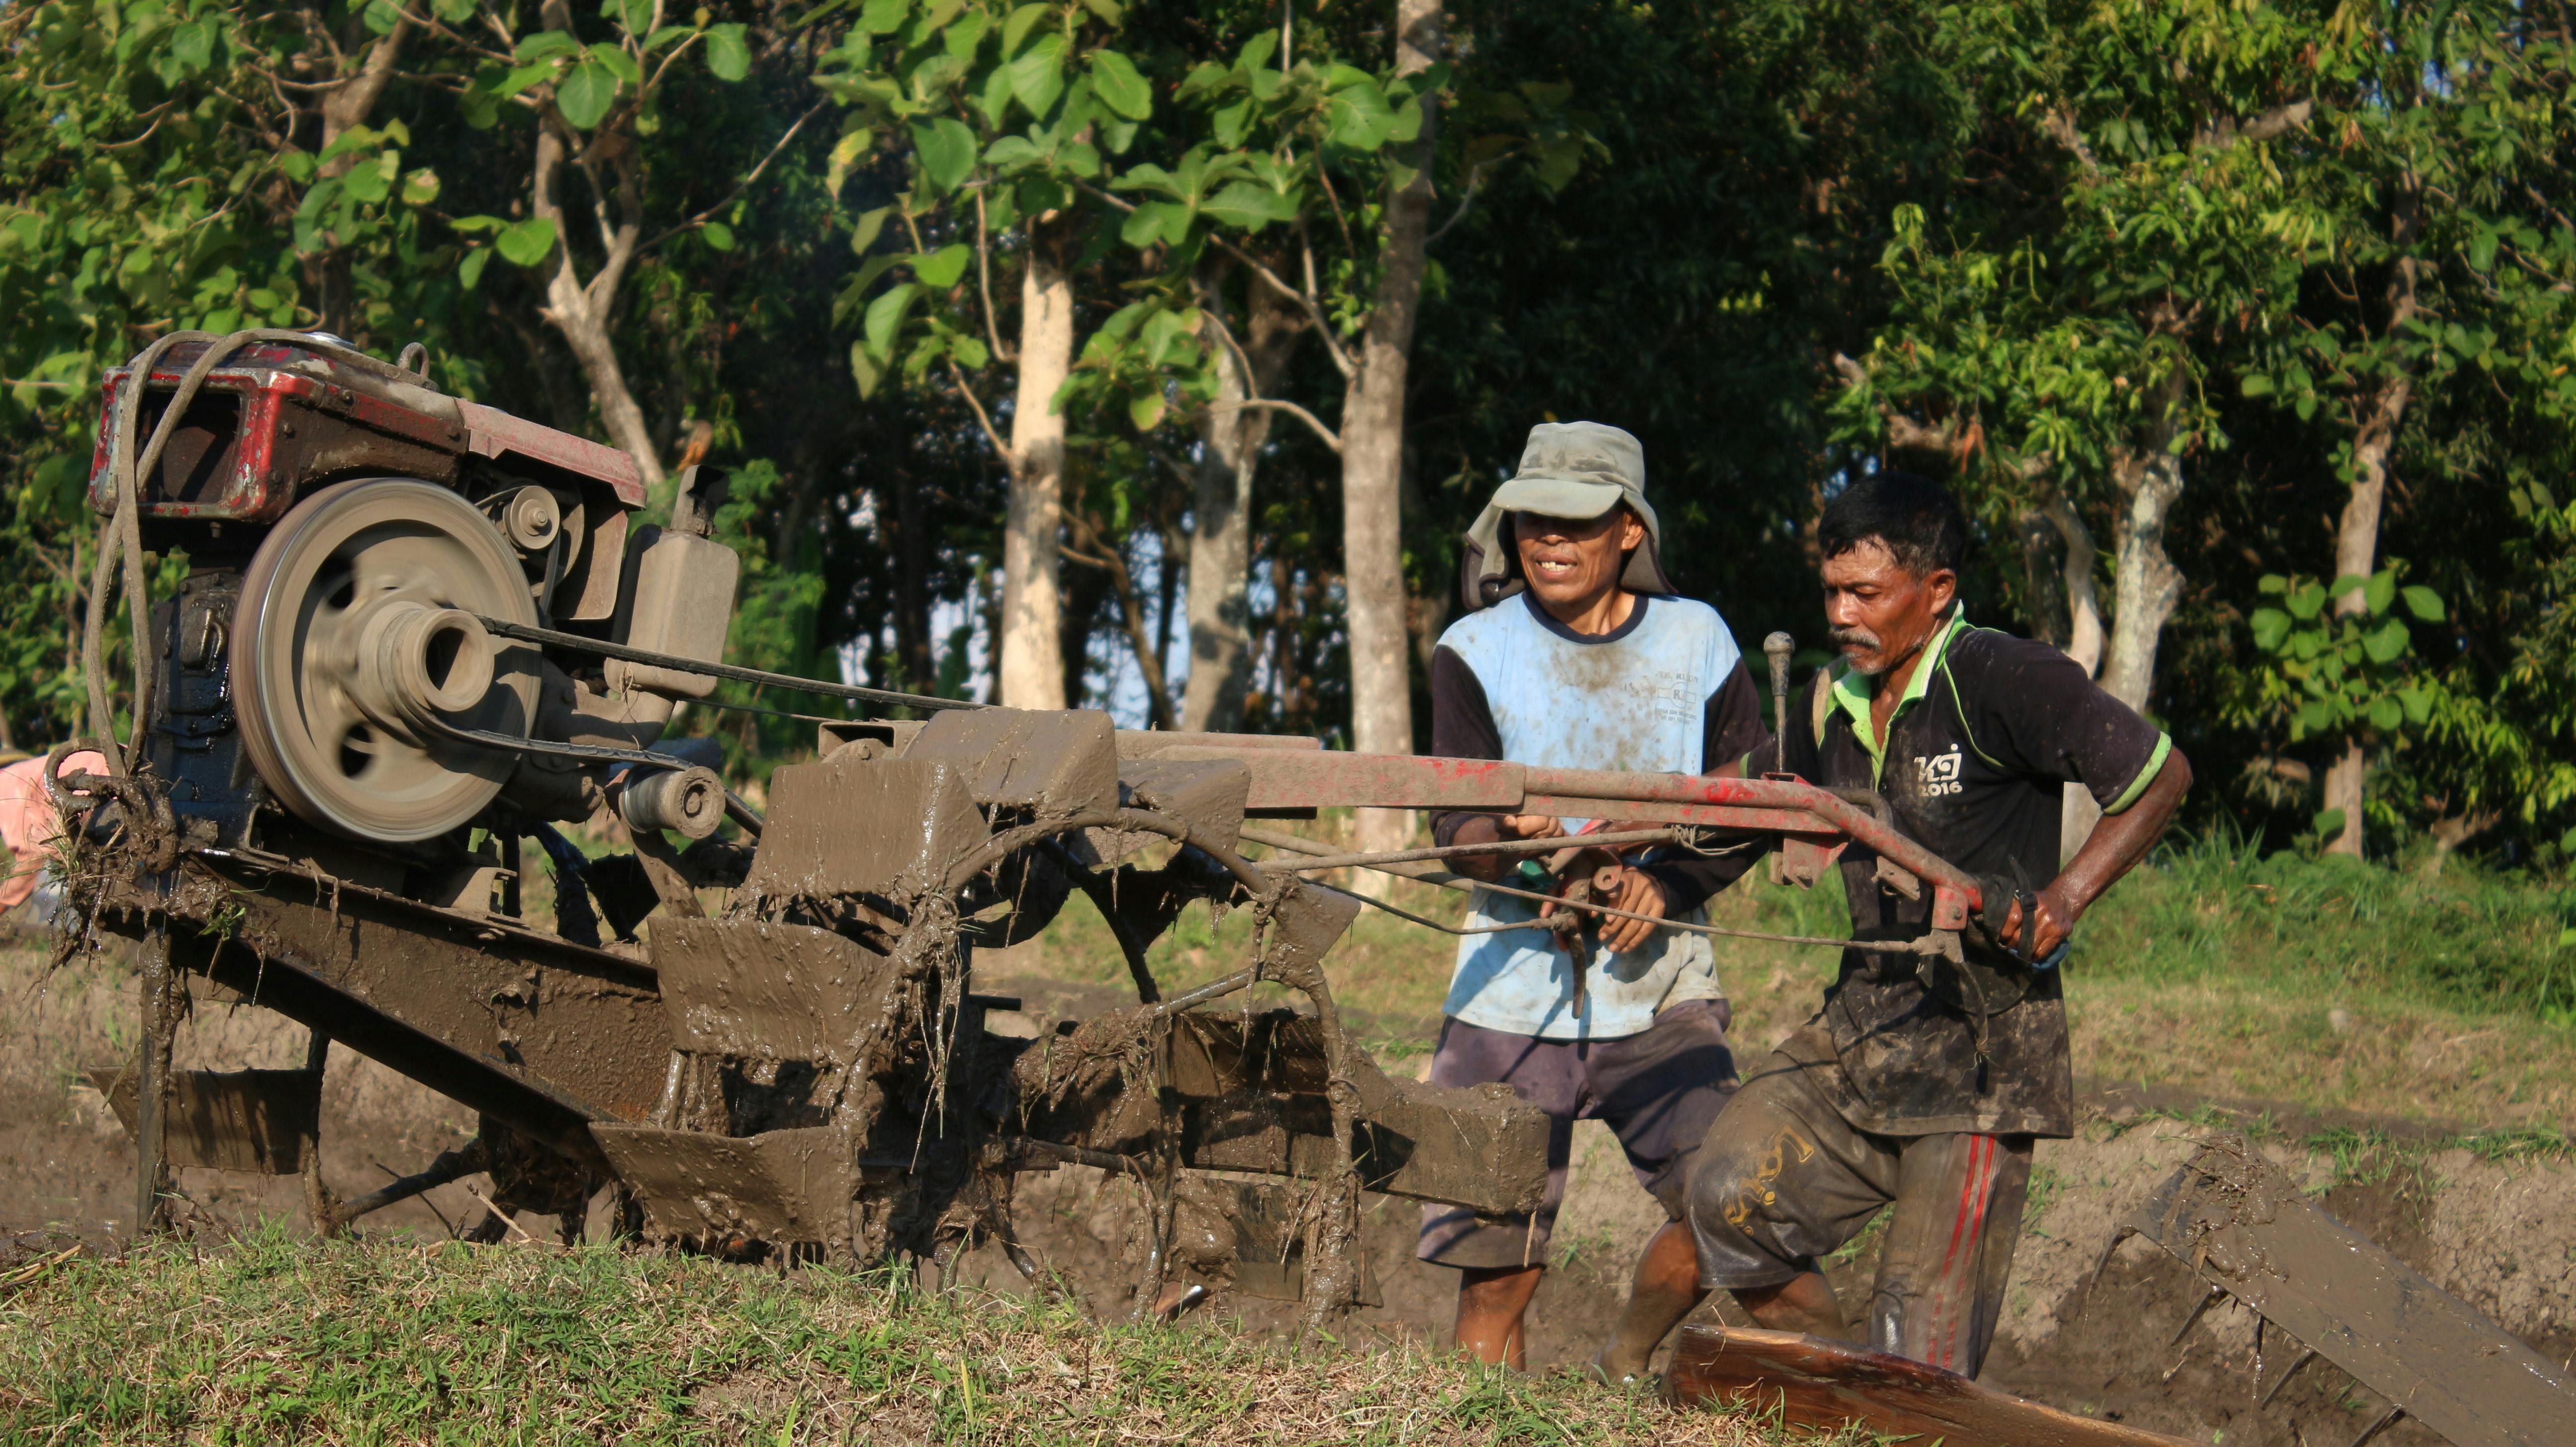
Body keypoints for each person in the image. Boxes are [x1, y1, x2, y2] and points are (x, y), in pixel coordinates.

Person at [1684, 471, 2191, 1377]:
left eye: (1866, 595)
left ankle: (1884, 1396)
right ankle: (1840, 1388)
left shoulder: (1999, 676)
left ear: (1937, 592)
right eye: (1832, 592)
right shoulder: (1826, 704)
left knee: (1919, 1354)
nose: (1842, 614)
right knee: (1726, 1194)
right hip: (1858, 1037)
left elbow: (2159, 775)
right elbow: (1732, 817)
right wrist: (1614, 854)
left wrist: (2065, 897)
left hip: (1981, 1059)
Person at [1422, 421, 1768, 1379]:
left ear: (1629, 531)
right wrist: (1521, 859)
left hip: (1659, 986)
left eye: (1577, 522)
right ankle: (1479, 1427)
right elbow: (1458, 824)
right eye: (1533, 520)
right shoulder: (1471, 649)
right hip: (1505, 994)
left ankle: (1623, 1364)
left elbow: (1746, 805)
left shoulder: (1700, 640)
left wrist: (1664, 882)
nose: (1550, 540)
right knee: (1494, 1271)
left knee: (1730, 1208)